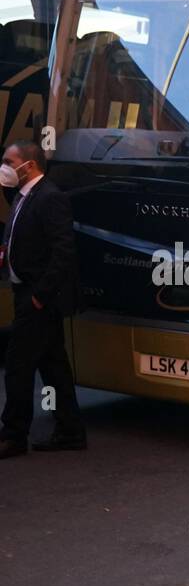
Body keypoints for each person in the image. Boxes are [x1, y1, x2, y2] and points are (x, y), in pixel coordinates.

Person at [1, 141, 85, 459]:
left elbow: (63, 252)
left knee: (17, 365)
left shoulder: (50, 198)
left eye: (10, 161)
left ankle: (13, 435)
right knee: (53, 366)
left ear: (30, 165)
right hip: (28, 292)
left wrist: (39, 295)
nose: (5, 167)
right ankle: (70, 430)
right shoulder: (24, 197)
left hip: (38, 297)